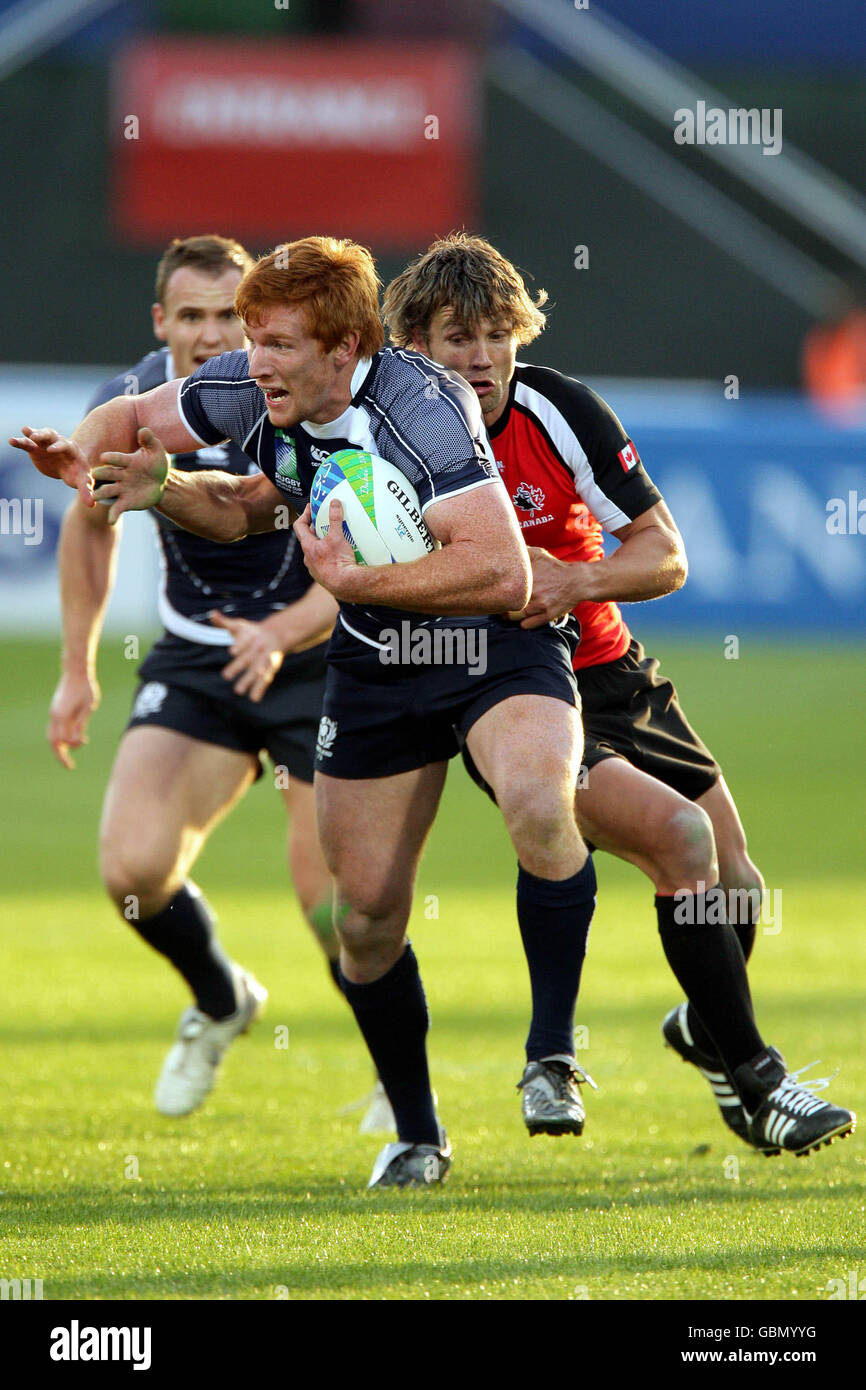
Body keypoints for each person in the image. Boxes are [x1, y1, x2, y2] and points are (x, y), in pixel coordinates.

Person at [13, 235, 600, 1189]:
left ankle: (550, 1053)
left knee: (540, 802)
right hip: (373, 664)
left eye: (275, 341)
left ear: (346, 347)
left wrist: (357, 578)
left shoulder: (422, 405)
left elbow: (503, 570)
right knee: (361, 918)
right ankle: (418, 1134)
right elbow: (207, 476)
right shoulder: (253, 386)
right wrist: (108, 461)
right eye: (249, 335)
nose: (250, 358)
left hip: (487, 643)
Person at [381, 232, 855, 1159]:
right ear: (414, 344)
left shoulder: (560, 410)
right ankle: (759, 1079)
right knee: (681, 840)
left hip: (617, 673)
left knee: (737, 884)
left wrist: (577, 581)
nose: (479, 358)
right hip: (517, 693)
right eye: (453, 338)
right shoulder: (395, 436)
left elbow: (664, 553)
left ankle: (707, 1032)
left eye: (494, 335)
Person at [45, 234, 338, 1119]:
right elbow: (89, 527)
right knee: (134, 873)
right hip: (196, 655)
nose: (213, 337)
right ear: (160, 321)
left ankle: (400, 1087)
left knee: (339, 907)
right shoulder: (129, 406)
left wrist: (286, 632)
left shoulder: (298, 394)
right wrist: (76, 673)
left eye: (229, 317)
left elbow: (360, 553)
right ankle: (222, 1000)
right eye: (193, 317)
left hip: (319, 657)